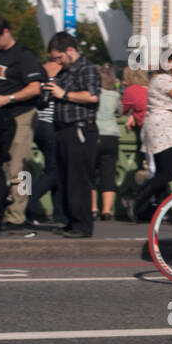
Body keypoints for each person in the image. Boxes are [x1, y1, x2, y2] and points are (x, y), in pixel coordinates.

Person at [0, 14, 47, 229]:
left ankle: (17, 215)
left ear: (6, 32)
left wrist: (8, 98)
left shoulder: (23, 56)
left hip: (20, 115)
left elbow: (36, 87)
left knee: (20, 168)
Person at [43, 32, 101, 238]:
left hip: (80, 129)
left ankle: (82, 224)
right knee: (64, 177)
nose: (57, 62)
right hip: (62, 129)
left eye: (58, 57)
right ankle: (70, 219)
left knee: (78, 178)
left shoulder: (86, 69)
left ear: (69, 51)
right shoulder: (64, 72)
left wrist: (64, 94)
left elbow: (93, 96)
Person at [124, 56, 172, 222]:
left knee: (162, 172)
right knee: (168, 172)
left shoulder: (156, 78)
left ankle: (157, 210)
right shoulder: (166, 79)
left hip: (159, 128)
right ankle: (137, 199)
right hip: (164, 130)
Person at [25, 59, 66, 228]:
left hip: (37, 123)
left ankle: (60, 215)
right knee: (54, 171)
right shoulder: (61, 73)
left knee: (57, 169)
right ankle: (27, 203)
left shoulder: (40, 69)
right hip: (51, 125)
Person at [92, 66, 123, 221]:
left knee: (90, 173)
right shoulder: (115, 95)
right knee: (108, 174)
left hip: (95, 134)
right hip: (112, 134)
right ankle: (106, 210)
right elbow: (120, 112)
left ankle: (93, 208)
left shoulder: (93, 94)